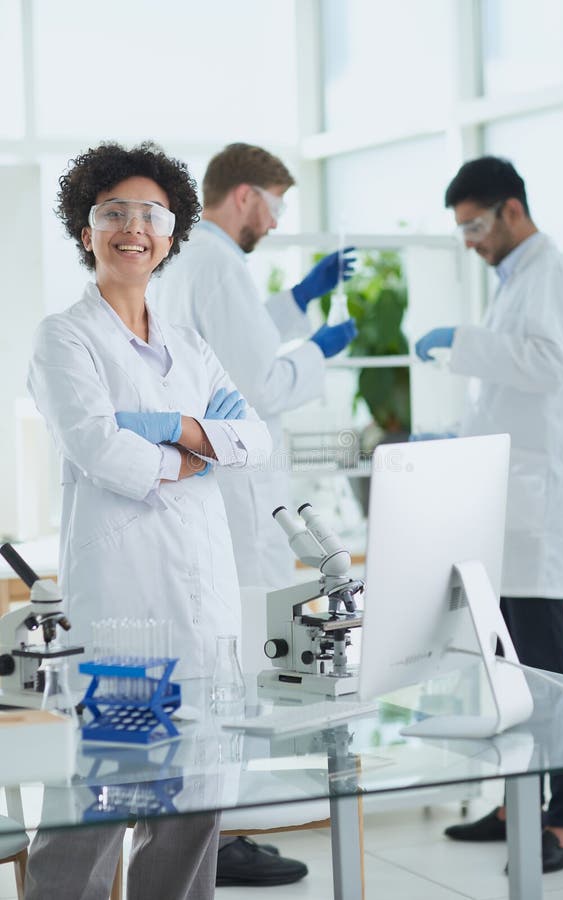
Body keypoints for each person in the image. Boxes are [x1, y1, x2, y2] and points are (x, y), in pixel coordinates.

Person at [25, 141, 274, 900]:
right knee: (96, 810)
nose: (134, 228)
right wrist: (199, 450)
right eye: (114, 213)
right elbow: (101, 449)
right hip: (124, 611)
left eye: (152, 215)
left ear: (171, 234)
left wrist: (172, 428)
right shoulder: (65, 337)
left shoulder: (191, 347)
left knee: (194, 812)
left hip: (204, 608)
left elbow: (254, 439)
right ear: (86, 230)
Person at [415, 155, 563, 874]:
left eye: (475, 226)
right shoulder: (516, 279)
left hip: (536, 509)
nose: (470, 241)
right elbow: (505, 393)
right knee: (510, 671)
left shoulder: (553, 273)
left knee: (550, 673)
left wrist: (462, 343)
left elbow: (548, 364)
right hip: (506, 500)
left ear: (511, 210)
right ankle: (518, 802)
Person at [149, 142, 357, 593]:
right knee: (258, 605)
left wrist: (300, 297)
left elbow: (233, 344)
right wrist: (318, 350)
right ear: (245, 196)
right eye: (275, 206)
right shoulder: (221, 266)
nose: (275, 223)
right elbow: (260, 387)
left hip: (206, 465)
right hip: (238, 479)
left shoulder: (187, 256)